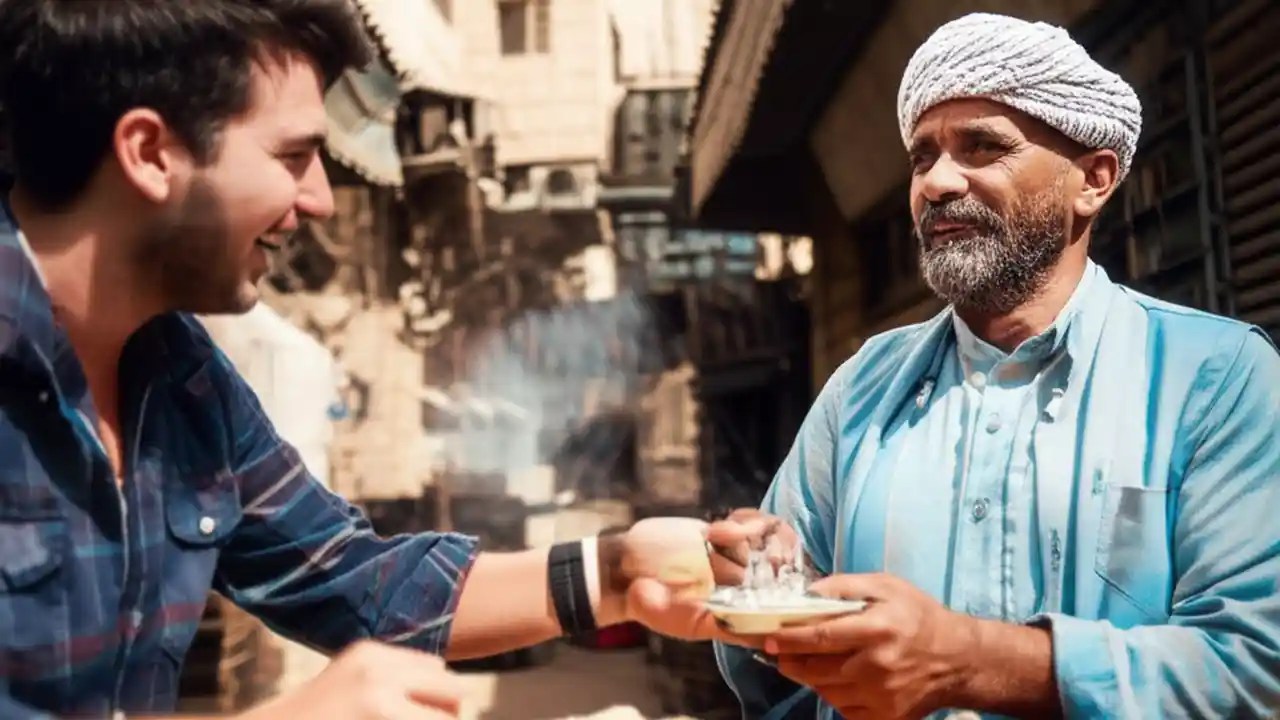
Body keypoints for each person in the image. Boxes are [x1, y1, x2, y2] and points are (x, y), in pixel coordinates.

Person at [0, 2, 751, 718]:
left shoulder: (183, 379)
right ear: (150, 153)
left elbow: (355, 581)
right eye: (293, 156)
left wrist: (619, 573)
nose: (322, 199)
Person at [711, 11, 1280, 720]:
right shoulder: (863, 387)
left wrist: (973, 662)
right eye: (922, 156)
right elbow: (776, 679)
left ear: (1093, 180)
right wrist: (764, 592)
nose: (937, 182)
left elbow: (1255, 665)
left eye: (982, 146)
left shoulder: (1215, 377)